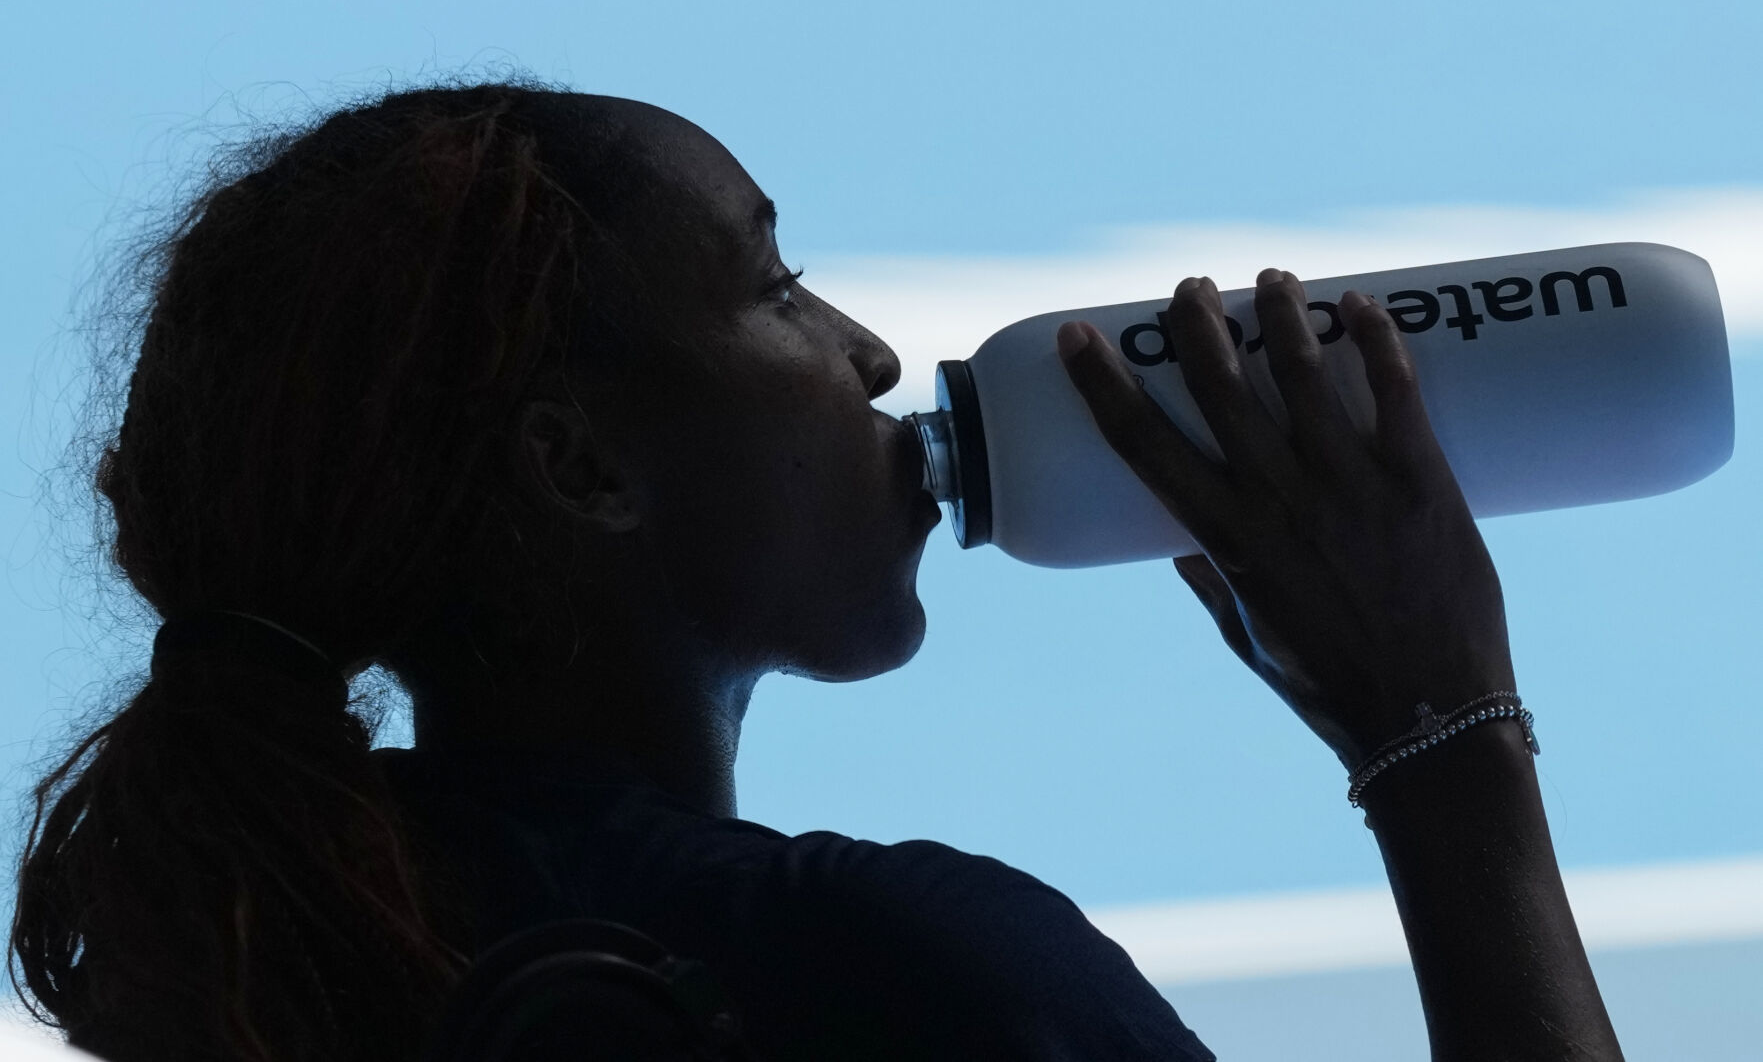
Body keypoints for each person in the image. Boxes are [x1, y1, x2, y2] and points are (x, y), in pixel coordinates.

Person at [6, 77, 1625, 1061]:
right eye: (773, 286)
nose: (864, 355)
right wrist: (1440, 735)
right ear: (583, 466)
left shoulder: (278, 976)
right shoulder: (885, 973)